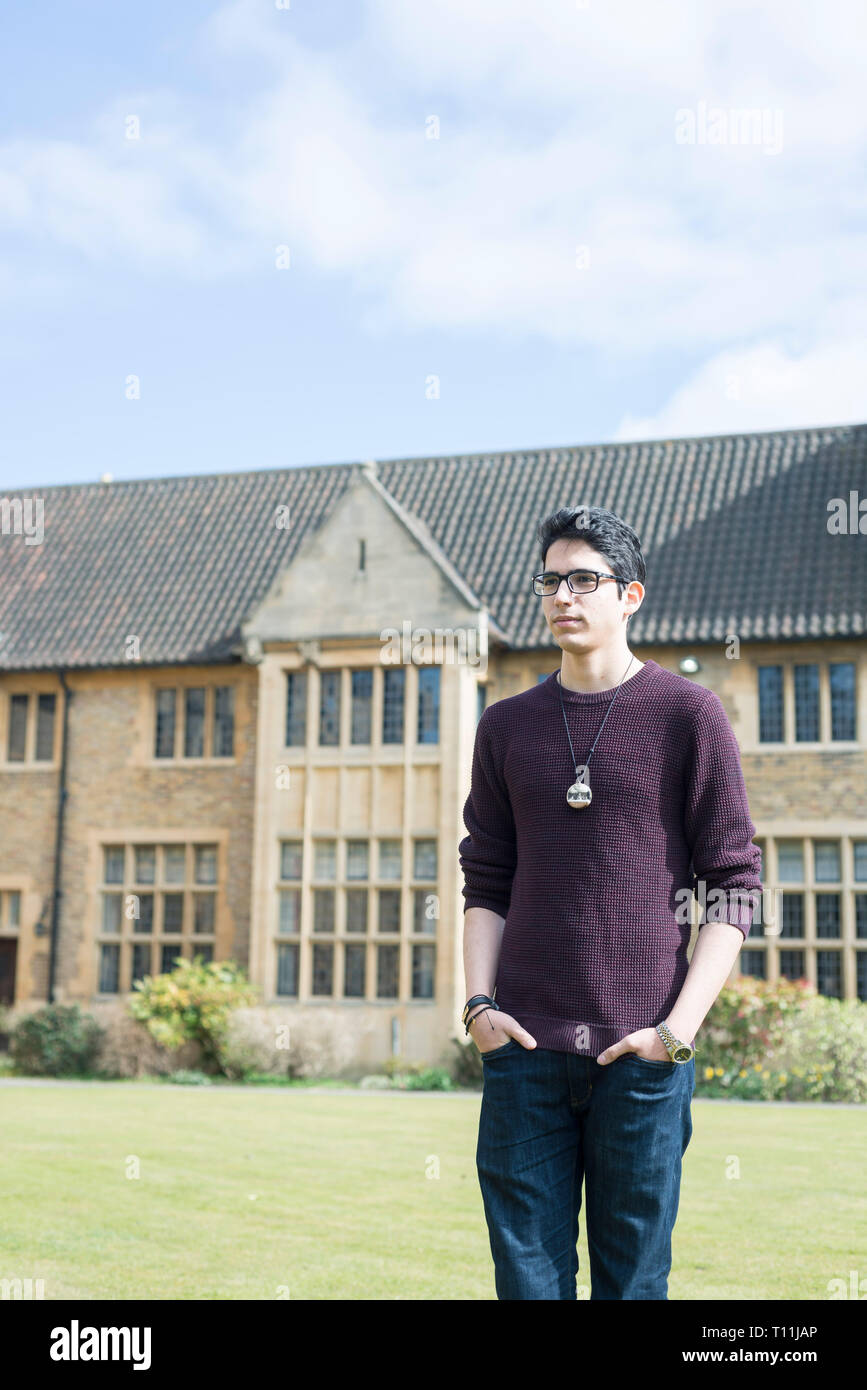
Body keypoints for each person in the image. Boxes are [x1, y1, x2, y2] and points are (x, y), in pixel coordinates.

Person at [459, 504, 762, 1300]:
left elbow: (732, 885)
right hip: (523, 1052)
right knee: (527, 1283)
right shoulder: (505, 727)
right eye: (550, 580)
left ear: (629, 595)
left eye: (583, 579)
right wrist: (477, 1007)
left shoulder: (686, 715)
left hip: (643, 1053)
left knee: (631, 1286)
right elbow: (484, 879)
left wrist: (678, 1031)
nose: (563, 595)